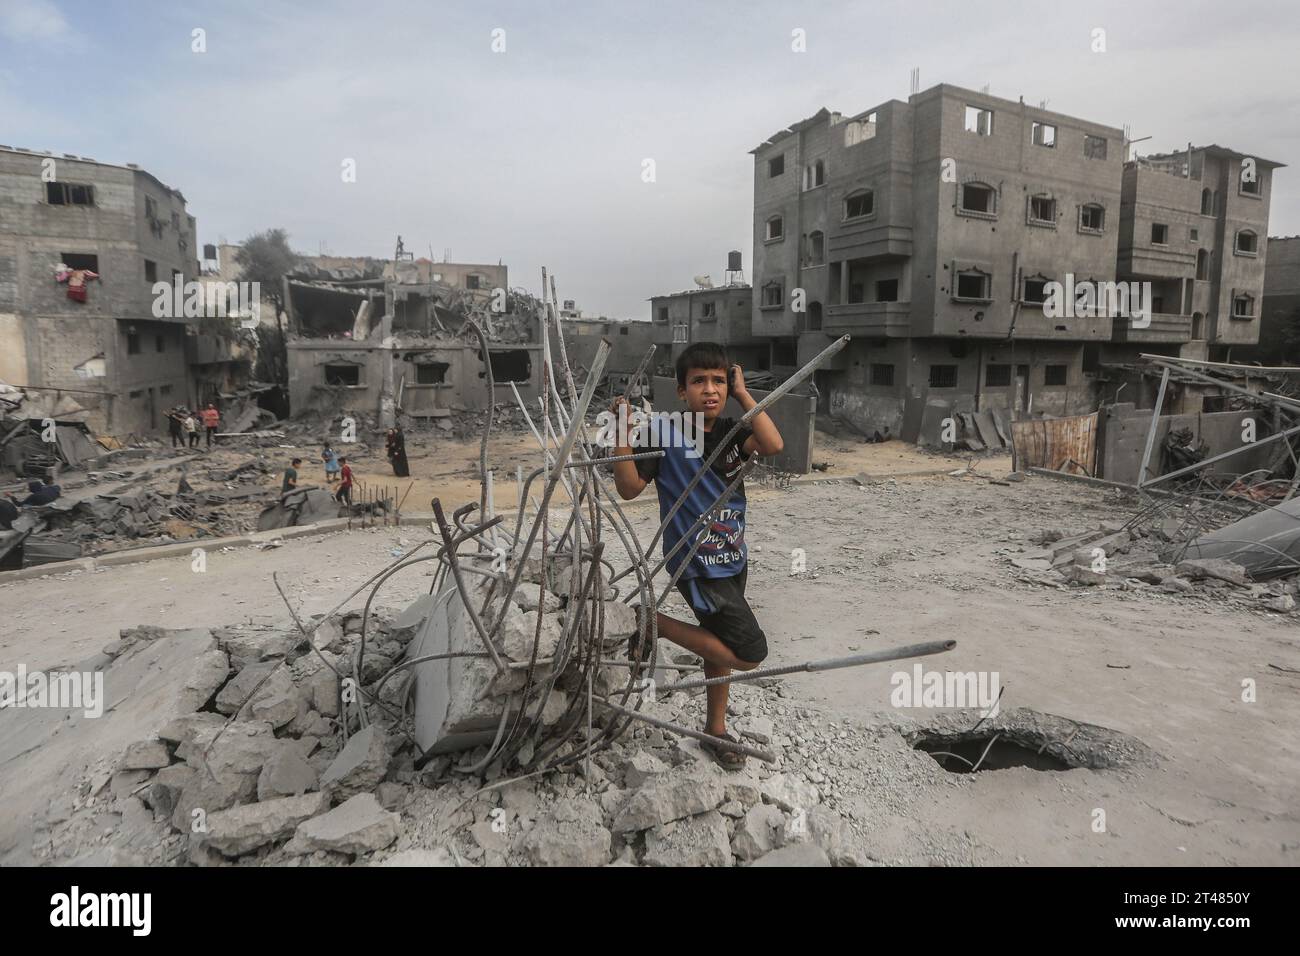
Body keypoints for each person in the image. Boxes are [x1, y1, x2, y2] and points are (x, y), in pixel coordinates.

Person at [610, 342, 784, 770]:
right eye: (699, 381)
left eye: (719, 381)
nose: (710, 389)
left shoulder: (733, 430)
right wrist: (620, 435)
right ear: (682, 391)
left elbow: (774, 444)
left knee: (719, 645)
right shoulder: (665, 432)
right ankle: (654, 623)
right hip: (696, 564)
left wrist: (745, 395)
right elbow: (629, 488)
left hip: (732, 558)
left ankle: (715, 729)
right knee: (748, 654)